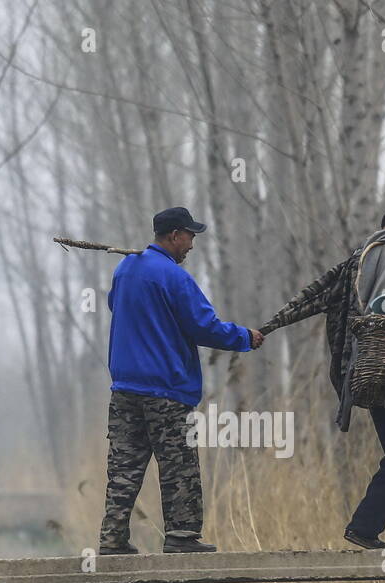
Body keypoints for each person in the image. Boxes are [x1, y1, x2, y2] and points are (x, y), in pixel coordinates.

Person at [264, 202, 385, 551]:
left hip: (367, 371)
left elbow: (315, 297)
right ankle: (364, 526)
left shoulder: (360, 257)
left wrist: (268, 327)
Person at [98, 206, 264, 555]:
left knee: (124, 467)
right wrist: (245, 338)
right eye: (189, 236)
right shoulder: (175, 278)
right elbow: (204, 327)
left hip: (124, 390)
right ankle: (181, 537)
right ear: (174, 236)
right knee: (179, 466)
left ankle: (112, 540)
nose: (191, 244)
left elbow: (116, 305)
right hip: (166, 392)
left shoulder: (126, 268)